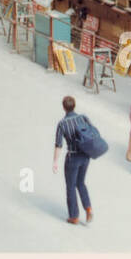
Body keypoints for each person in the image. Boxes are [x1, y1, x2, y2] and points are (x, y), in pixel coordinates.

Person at [51, 95, 94, 225]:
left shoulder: (62, 124)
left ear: (64, 108)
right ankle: (88, 207)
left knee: (70, 186)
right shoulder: (83, 118)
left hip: (73, 157)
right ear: (74, 106)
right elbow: (92, 133)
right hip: (85, 156)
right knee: (81, 183)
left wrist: (55, 162)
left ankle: (74, 216)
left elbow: (58, 144)